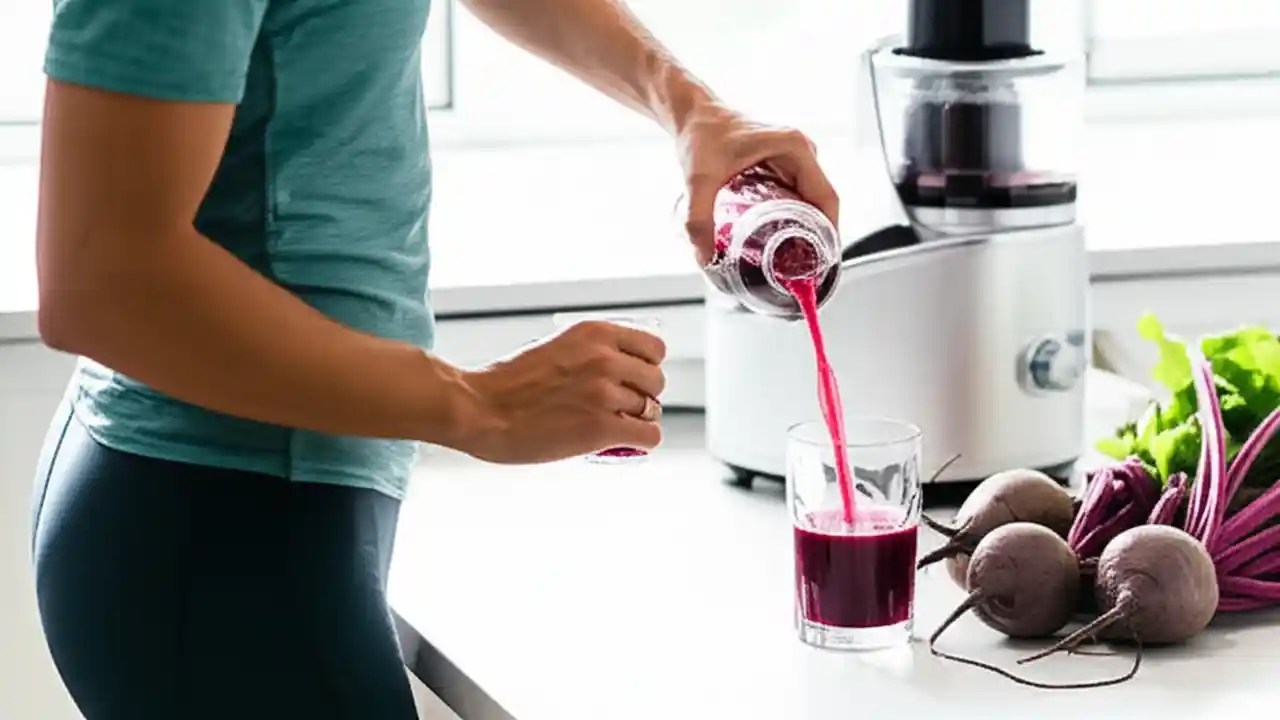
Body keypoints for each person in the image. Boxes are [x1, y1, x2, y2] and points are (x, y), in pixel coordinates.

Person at [28, 0, 840, 717]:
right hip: (218, 527)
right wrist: (477, 405)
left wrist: (687, 104)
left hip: (256, 498)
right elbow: (104, 280)